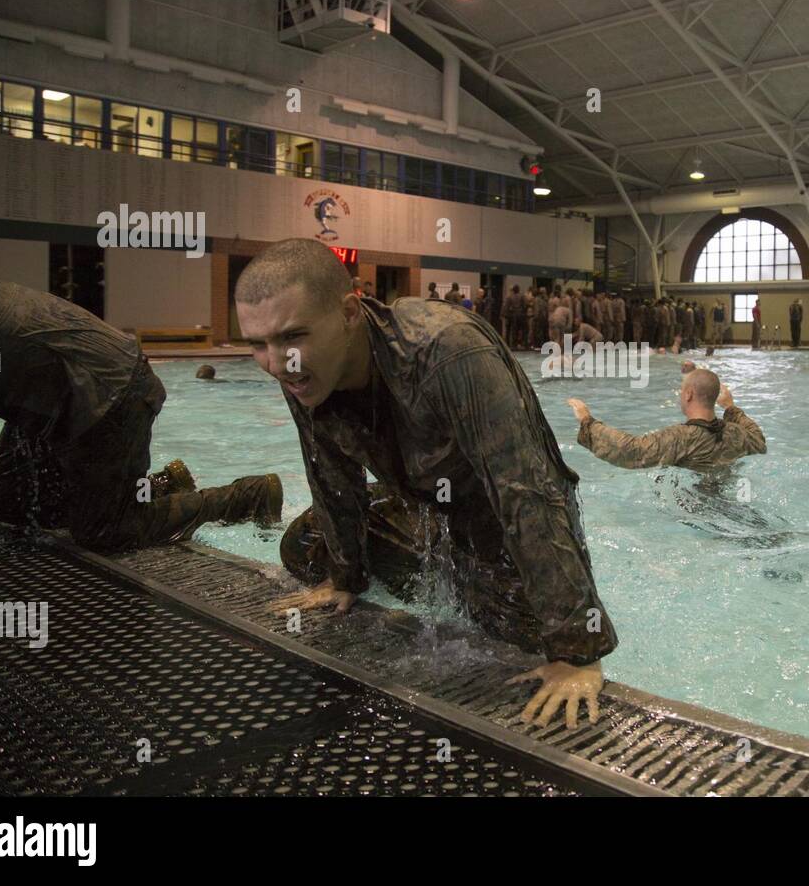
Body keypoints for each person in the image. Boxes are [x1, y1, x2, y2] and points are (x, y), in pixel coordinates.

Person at [236, 240, 615, 727]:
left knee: (508, 638)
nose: (275, 362)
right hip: (425, 511)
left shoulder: (449, 349)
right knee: (306, 547)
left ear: (350, 312)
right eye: (256, 344)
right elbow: (328, 470)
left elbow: (528, 491)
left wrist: (578, 651)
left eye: (292, 336)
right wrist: (346, 578)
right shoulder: (303, 369)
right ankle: (416, 585)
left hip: (500, 524)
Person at [0, 275, 281, 582]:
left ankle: (247, 497)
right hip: (52, 400)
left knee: (105, 532)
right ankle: (155, 486)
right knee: (6, 500)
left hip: (113, 390)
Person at [568, 369, 765, 472]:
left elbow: (631, 451)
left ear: (688, 394)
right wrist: (730, 407)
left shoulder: (680, 438)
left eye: (681, 391)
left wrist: (588, 422)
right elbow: (759, 441)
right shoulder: (736, 433)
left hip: (695, 515)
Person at [503, 284, 524, 350]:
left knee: (513, 331)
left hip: (512, 315)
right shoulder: (522, 296)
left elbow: (506, 307)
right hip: (520, 315)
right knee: (519, 330)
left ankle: (512, 345)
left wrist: (506, 315)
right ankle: (519, 344)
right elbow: (524, 305)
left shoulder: (510, 297)